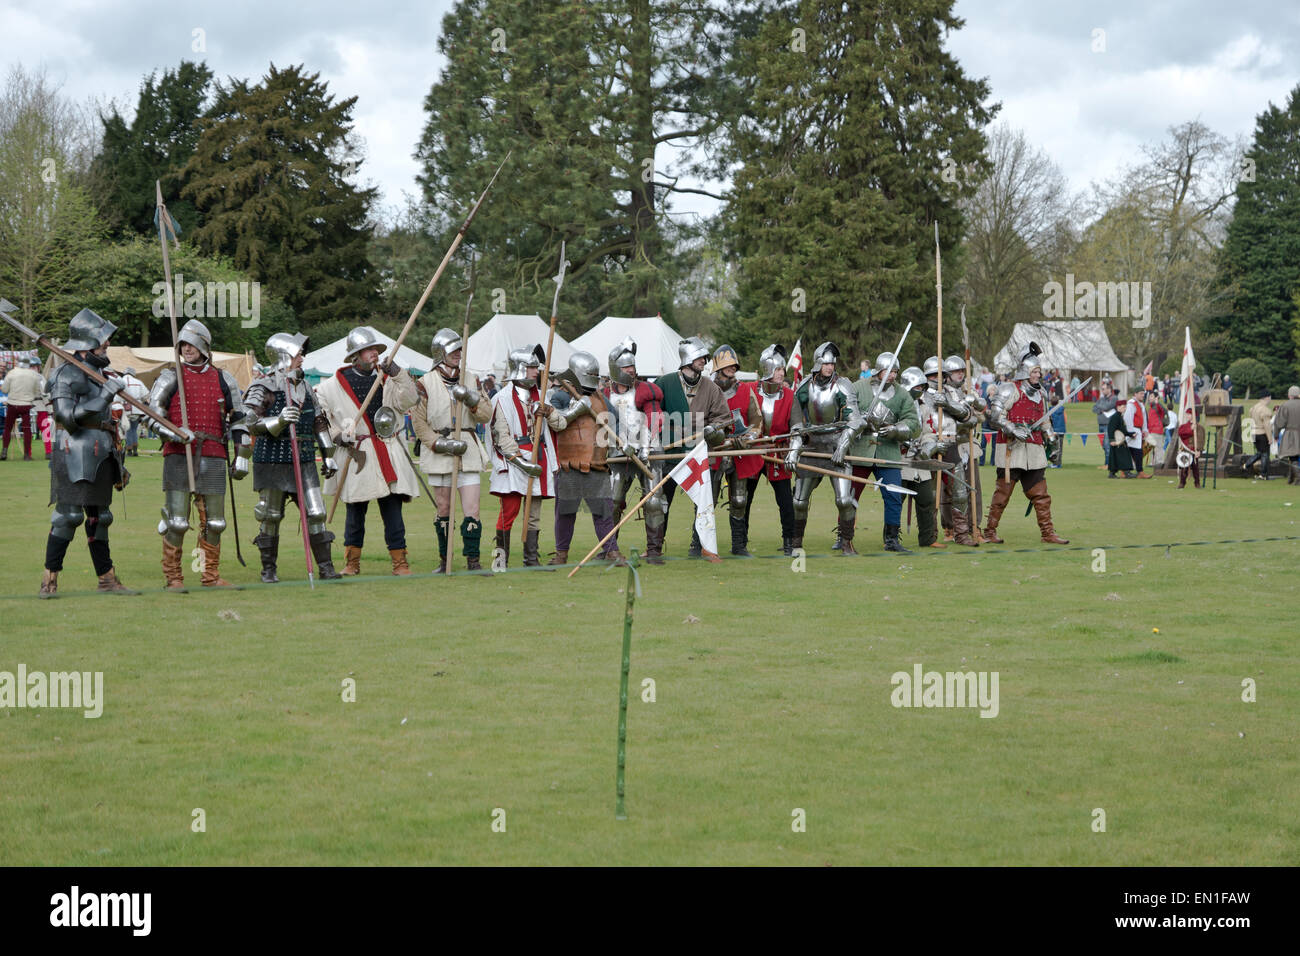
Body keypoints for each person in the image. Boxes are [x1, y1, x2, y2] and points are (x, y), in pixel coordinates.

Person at [41, 309, 139, 597]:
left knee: (101, 517)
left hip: (102, 449)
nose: (107, 344)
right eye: (103, 340)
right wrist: (106, 394)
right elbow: (67, 417)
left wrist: (106, 390)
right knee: (68, 516)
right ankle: (49, 580)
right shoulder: (64, 374)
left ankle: (107, 579)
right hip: (74, 450)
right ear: (86, 343)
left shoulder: (96, 371)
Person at [148, 320, 245, 590]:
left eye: (191, 343)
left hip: (214, 453)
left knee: (214, 522)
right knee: (178, 522)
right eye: (183, 344)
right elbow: (152, 416)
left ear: (204, 345)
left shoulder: (224, 378)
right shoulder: (170, 376)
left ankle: (209, 575)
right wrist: (173, 432)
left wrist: (242, 454)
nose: (187, 349)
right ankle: (174, 577)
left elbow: (239, 419)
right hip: (179, 455)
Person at [317, 327, 423, 575]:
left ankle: (400, 562)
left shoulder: (388, 379)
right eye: (369, 350)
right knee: (355, 511)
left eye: (376, 349)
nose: (375, 353)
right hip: (357, 453)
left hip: (387, 448)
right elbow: (322, 419)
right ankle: (352, 563)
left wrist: (398, 374)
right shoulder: (331, 386)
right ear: (356, 355)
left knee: (393, 510)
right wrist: (337, 436)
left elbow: (410, 400)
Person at [239, 332, 342, 582]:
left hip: (304, 457)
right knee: (271, 515)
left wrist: (328, 455)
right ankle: (268, 569)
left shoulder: (306, 386)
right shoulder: (263, 386)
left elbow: (319, 422)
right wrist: (279, 420)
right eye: (298, 353)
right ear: (283, 356)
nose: (302, 357)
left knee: (316, 512)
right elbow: (248, 423)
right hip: (273, 458)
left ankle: (326, 567)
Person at [410, 327, 485, 573]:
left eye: (460, 349)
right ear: (440, 352)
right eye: (453, 349)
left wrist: (472, 400)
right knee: (443, 508)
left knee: (472, 509)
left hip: (468, 448)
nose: (458, 353)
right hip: (440, 449)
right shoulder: (425, 382)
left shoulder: (471, 379)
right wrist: (440, 444)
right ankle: (445, 561)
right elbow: (419, 422)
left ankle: (473, 560)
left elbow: (486, 414)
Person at [785, 341, 869, 552]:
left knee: (844, 500)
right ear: (817, 364)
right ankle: (796, 543)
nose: (830, 367)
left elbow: (855, 420)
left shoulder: (843, 385)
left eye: (832, 363)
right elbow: (796, 423)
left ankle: (846, 542)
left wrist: (842, 446)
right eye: (826, 364)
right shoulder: (804, 387)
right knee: (799, 501)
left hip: (835, 444)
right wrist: (794, 451)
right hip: (812, 446)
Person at [655, 337, 732, 562]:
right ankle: (655, 547)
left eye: (704, 358)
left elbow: (723, 419)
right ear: (687, 359)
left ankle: (700, 545)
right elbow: (653, 416)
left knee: (703, 501)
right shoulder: (665, 382)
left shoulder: (710, 387)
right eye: (700, 357)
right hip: (669, 453)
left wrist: (711, 429)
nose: (704, 361)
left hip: (698, 453)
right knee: (661, 502)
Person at [982, 345, 1069, 544]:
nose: (1038, 375)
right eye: (1035, 371)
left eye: (1039, 371)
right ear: (1025, 371)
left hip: (1035, 450)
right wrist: (1013, 428)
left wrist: (1053, 444)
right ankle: (989, 532)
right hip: (1011, 451)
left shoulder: (1041, 394)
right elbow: (994, 417)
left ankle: (1048, 533)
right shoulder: (1008, 389)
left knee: (1041, 495)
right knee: (1002, 496)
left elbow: (1045, 421)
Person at [487, 344, 563, 566]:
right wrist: (521, 462)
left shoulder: (542, 397)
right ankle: (500, 561)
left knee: (534, 514)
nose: (536, 371)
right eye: (531, 367)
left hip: (539, 457)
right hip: (513, 461)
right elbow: (500, 437)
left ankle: (531, 559)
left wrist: (548, 412)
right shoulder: (501, 398)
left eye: (536, 367)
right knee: (508, 512)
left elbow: (561, 424)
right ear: (520, 368)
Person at [545, 350, 623, 566]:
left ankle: (611, 551)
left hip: (597, 464)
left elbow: (614, 420)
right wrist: (576, 409)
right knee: (565, 514)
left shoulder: (600, 397)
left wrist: (622, 444)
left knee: (604, 512)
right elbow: (555, 421)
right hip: (570, 465)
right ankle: (561, 554)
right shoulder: (561, 394)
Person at [602, 337, 667, 563]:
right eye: (626, 367)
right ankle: (609, 548)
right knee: (613, 500)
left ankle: (654, 550)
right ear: (615, 370)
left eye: (632, 366)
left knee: (654, 501)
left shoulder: (646, 390)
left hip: (649, 451)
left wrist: (646, 446)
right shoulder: (604, 394)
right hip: (618, 454)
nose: (631, 370)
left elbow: (655, 417)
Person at [846, 352, 916, 554]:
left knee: (894, 495)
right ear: (879, 370)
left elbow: (913, 422)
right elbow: (847, 412)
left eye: (895, 371)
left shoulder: (902, 394)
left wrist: (896, 429)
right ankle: (844, 536)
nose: (892, 375)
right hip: (861, 450)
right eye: (889, 371)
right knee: (849, 495)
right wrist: (861, 421)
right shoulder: (859, 387)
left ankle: (892, 539)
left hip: (888, 450)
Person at [734, 344, 797, 555]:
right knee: (744, 498)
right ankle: (740, 541)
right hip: (752, 451)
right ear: (768, 368)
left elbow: (797, 427)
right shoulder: (748, 389)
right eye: (778, 369)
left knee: (785, 499)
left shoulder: (789, 395)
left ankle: (789, 541)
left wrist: (793, 451)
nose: (781, 373)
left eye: (782, 370)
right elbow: (740, 418)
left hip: (778, 451)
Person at [704, 343, 759, 557]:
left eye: (733, 366)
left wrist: (747, 438)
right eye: (727, 366)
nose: (731, 369)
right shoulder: (707, 389)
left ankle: (738, 545)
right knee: (708, 500)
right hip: (713, 451)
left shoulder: (746, 391)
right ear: (718, 368)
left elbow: (756, 421)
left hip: (738, 452)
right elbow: (699, 421)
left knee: (739, 500)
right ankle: (700, 544)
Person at [932, 355, 986, 546]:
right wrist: (963, 414)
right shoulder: (941, 392)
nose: (960, 374)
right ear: (947, 374)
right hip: (949, 444)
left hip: (968, 444)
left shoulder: (968, 392)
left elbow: (978, 417)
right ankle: (949, 527)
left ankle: (974, 527)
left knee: (974, 488)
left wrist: (968, 414)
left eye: (962, 371)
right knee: (950, 489)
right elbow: (946, 420)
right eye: (956, 371)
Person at [898, 366, 946, 549]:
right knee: (896, 501)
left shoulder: (923, 406)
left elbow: (928, 431)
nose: (921, 391)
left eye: (922, 388)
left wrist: (928, 445)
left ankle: (927, 539)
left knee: (926, 499)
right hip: (899, 459)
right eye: (918, 387)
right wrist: (902, 440)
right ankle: (891, 538)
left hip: (919, 461)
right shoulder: (896, 403)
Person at [1, 354, 43, 460]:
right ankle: (27, 455)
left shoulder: (12, 373)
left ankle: (4, 452)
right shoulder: (34, 375)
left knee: (7, 428)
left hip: (12, 404)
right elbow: (37, 393)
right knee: (27, 429)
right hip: (26, 405)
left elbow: (5, 390)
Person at [118, 367, 148, 456]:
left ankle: (129, 450)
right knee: (134, 430)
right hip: (136, 409)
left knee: (127, 430)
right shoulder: (138, 382)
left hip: (124, 408)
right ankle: (135, 450)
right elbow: (146, 396)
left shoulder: (120, 381)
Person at [1244, 390, 1274, 479]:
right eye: (1270, 398)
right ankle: (1263, 474)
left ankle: (1247, 465)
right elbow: (1267, 426)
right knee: (1264, 454)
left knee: (1260, 453)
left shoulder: (1253, 408)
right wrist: (1270, 438)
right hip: (1262, 433)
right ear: (1267, 397)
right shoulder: (1265, 410)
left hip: (1253, 433)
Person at [1274, 385, 1300, 484]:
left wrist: (1276, 435)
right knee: (1295, 457)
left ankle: (1298, 478)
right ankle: (1291, 478)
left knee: (1292, 457)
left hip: (1291, 434)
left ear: (1290, 395)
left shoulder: (1285, 405)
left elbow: (1279, 423)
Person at [1106, 397, 1136, 478]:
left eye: (1125, 407)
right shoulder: (1115, 417)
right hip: (1116, 441)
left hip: (1120, 440)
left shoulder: (1120, 417)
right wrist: (1112, 440)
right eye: (1123, 407)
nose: (1125, 408)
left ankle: (1115, 473)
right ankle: (1125, 472)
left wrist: (1131, 434)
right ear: (1118, 407)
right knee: (1123, 456)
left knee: (1118, 457)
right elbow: (1110, 429)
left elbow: (1122, 430)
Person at [1123, 390, 1150, 478]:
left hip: (1138, 430)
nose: (1143, 395)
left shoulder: (1140, 404)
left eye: (1143, 393)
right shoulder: (1131, 404)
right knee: (1130, 452)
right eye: (1141, 393)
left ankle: (1139, 471)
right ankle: (1126, 471)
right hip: (1133, 429)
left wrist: (1145, 430)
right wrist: (1131, 432)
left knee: (1137, 452)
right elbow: (1128, 418)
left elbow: (1144, 418)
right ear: (1135, 394)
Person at [1092, 382, 1118, 469]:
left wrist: (1101, 407)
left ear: (1109, 389)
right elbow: (1094, 408)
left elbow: (1108, 407)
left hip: (1108, 425)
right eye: (1102, 389)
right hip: (1101, 425)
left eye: (1103, 389)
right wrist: (1101, 409)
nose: (1102, 391)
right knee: (1104, 445)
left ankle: (1108, 464)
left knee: (1108, 446)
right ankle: (1108, 463)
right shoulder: (1101, 399)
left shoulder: (1114, 398)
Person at [1175, 410, 1201, 489]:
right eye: (1188, 414)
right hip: (1186, 450)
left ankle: (1197, 483)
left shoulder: (1199, 427)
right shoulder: (1184, 426)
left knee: (1195, 468)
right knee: (1184, 467)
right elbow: (1181, 434)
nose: (1188, 416)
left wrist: (1199, 450)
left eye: (1190, 414)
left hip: (1194, 450)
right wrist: (1190, 429)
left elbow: (1201, 439)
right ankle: (1182, 483)